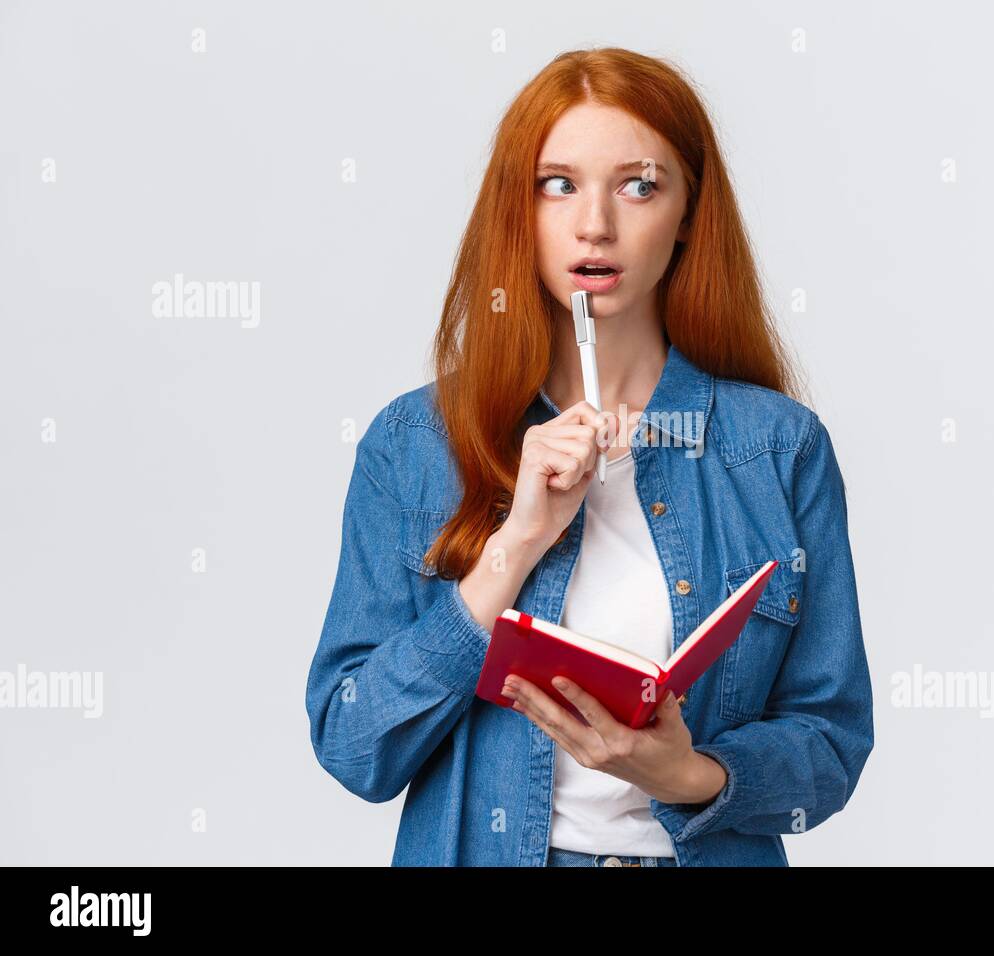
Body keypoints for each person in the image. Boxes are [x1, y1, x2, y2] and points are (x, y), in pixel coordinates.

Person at [305, 47, 874, 867]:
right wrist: (517, 544)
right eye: (558, 184)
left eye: (639, 185)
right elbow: (355, 748)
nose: (595, 223)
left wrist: (693, 775)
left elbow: (830, 743)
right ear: (518, 209)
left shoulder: (778, 449)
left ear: (687, 214)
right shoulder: (414, 445)